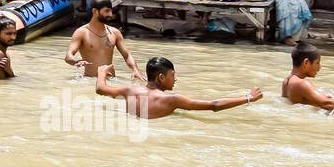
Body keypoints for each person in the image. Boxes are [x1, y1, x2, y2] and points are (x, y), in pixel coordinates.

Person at [95, 56, 263, 121]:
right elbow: (214, 105)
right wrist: (248, 98)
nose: (175, 79)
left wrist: (101, 71)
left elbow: (101, 89)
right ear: (161, 77)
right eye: (172, 75)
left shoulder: (130, 90)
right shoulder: (172, 99)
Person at [65, 0, 141, 79]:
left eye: (111, 11)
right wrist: (76, 61)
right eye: (107, 11)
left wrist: (135, 70)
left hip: (112, 80)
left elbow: (127, 55)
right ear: (95, 11)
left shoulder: (115, 32)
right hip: (91, 80)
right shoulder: (81, 33)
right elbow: (68, 56)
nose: (110, 14)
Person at [281, 42, 334, 112]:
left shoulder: (286, 81)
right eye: (317, 63)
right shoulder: (301, 83)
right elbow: (327, 103)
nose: (319, 67)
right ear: (306, 62)